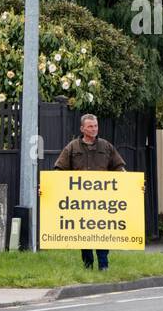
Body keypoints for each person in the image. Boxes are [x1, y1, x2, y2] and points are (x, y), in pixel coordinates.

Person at [53, 113, 125, 271]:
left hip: (102, 201)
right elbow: (59, 171)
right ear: (82, 128)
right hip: (80, 202)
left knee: (102, 232)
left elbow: (119, 168)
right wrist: (48, 188)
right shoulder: (72, 147)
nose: (94, 129)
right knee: (83, 233)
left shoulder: (106, 146)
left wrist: (132, 186)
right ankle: (87, 264)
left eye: (96, 126)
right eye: (90, 126)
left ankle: (104, 265)